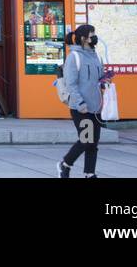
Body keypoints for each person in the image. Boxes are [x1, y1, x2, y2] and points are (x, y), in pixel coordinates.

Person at [58, 24, 107, 178]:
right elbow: (70, 83)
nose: (94, 37)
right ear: (83, 38)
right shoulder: (74, 57)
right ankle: (64, 164)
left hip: (96, 106)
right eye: (91, 35)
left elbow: (98, 79)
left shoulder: (97, 56)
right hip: (81, 107)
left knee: (93, 143)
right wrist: (80, 103)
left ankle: (89, 173)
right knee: (86, 139)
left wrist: (105, 81)